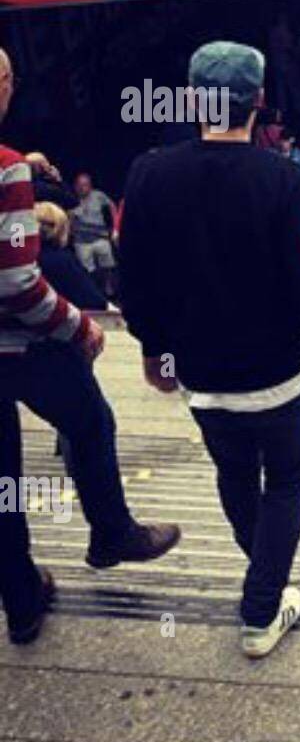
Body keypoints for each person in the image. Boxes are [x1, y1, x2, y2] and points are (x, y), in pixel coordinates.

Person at [120, 43, 300, 659]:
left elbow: (134, 278)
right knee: (288, 484)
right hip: (279, 376)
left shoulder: (149, 173)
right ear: (260, 101)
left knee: (234, 474)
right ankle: (261, 606)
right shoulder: (283, 178)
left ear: (194, 100)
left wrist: (152, 350)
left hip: (202, 377)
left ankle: (265, 576)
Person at [0, 53, 179, 646]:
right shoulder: (6, 172)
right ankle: (111, 532)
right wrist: (79, 327)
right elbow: (20, 285)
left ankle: (22, 603)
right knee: (91, 420)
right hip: (21, 344)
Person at [69, 171, 118, 298]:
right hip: (81, 240)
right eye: (79, 185)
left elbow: (112, 206)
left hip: (100, 237)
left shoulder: (98, 195)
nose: (82, 188)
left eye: (85, 185)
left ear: (90, 186)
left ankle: (109, 287)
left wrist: (115, 227)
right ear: (75, 186)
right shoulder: (70, 197)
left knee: (108, 265)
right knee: (87, 270)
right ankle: (92, 292)